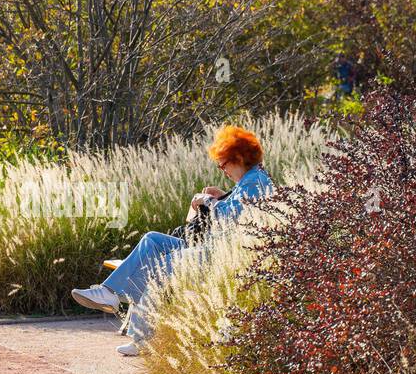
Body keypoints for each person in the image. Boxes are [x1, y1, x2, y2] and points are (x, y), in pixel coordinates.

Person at [70, 125, 273, 356]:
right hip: (207, 246)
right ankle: (109, 292)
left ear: (238, 158)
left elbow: (229, 216)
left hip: (219, 254)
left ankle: (141, 339)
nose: (223, 170)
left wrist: (207, 200)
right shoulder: (247, 181)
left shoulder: (256, 181)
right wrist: (220, 195)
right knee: (152, 240)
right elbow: (234, 208)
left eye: (223, 164)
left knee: (164, 266)